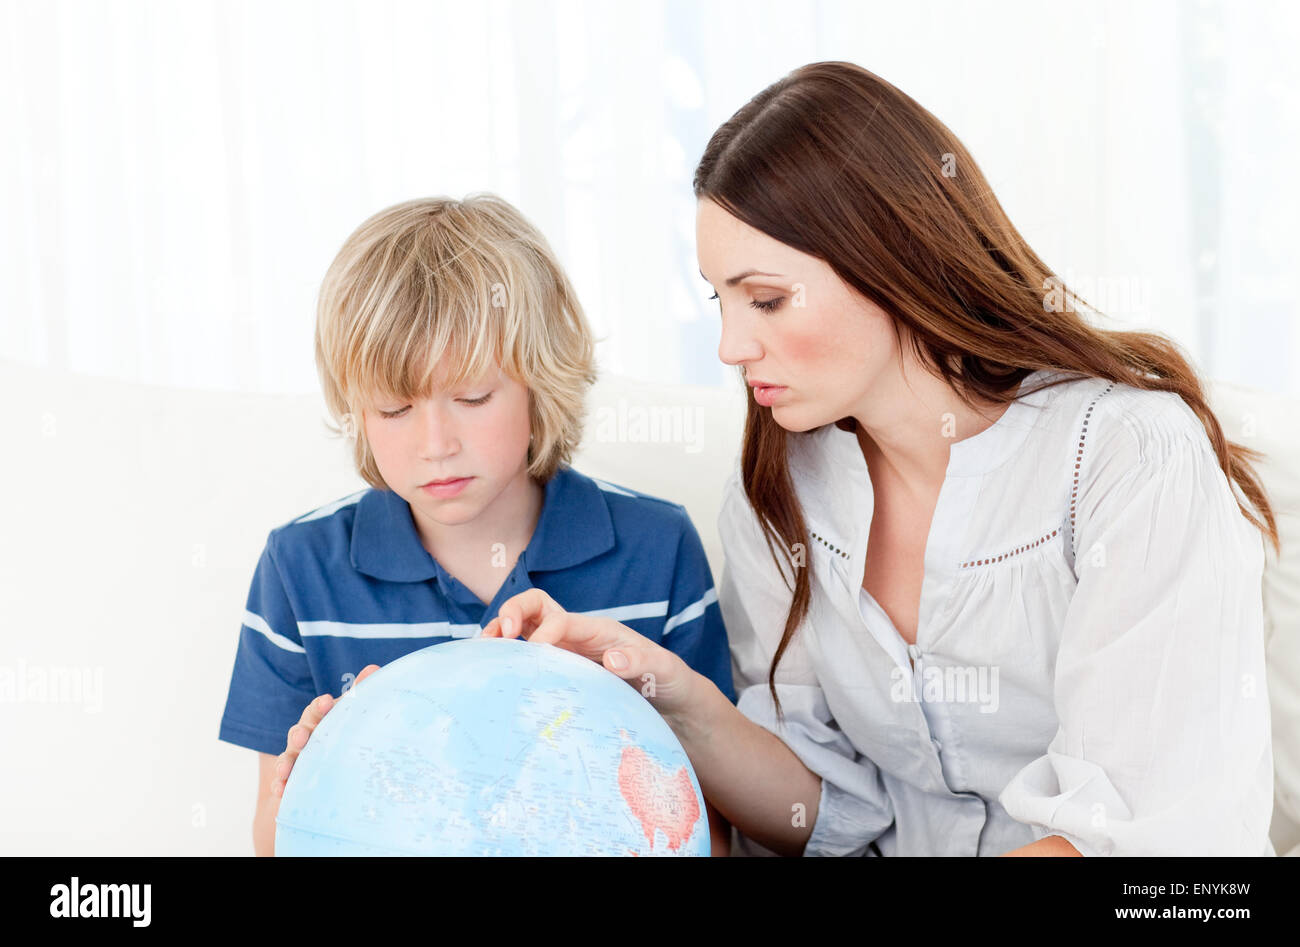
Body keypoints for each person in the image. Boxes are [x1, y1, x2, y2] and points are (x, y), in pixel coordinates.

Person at [482, 61, 1282, 857]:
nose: (731, 345)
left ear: (890, 258)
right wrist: (664, 693)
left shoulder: (1127, 458)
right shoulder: (781, 486)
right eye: (718, 300)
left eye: (765, 299)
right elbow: (822, 810)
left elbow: (1145, 838)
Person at [217, 194, 736, 856]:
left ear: (540, 384)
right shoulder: (300, 568)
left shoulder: (655, 548)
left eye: (472, 398)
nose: (435, 443)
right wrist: (306, 774)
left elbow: (708, 832)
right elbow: (275, 840)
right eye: (394, 407)